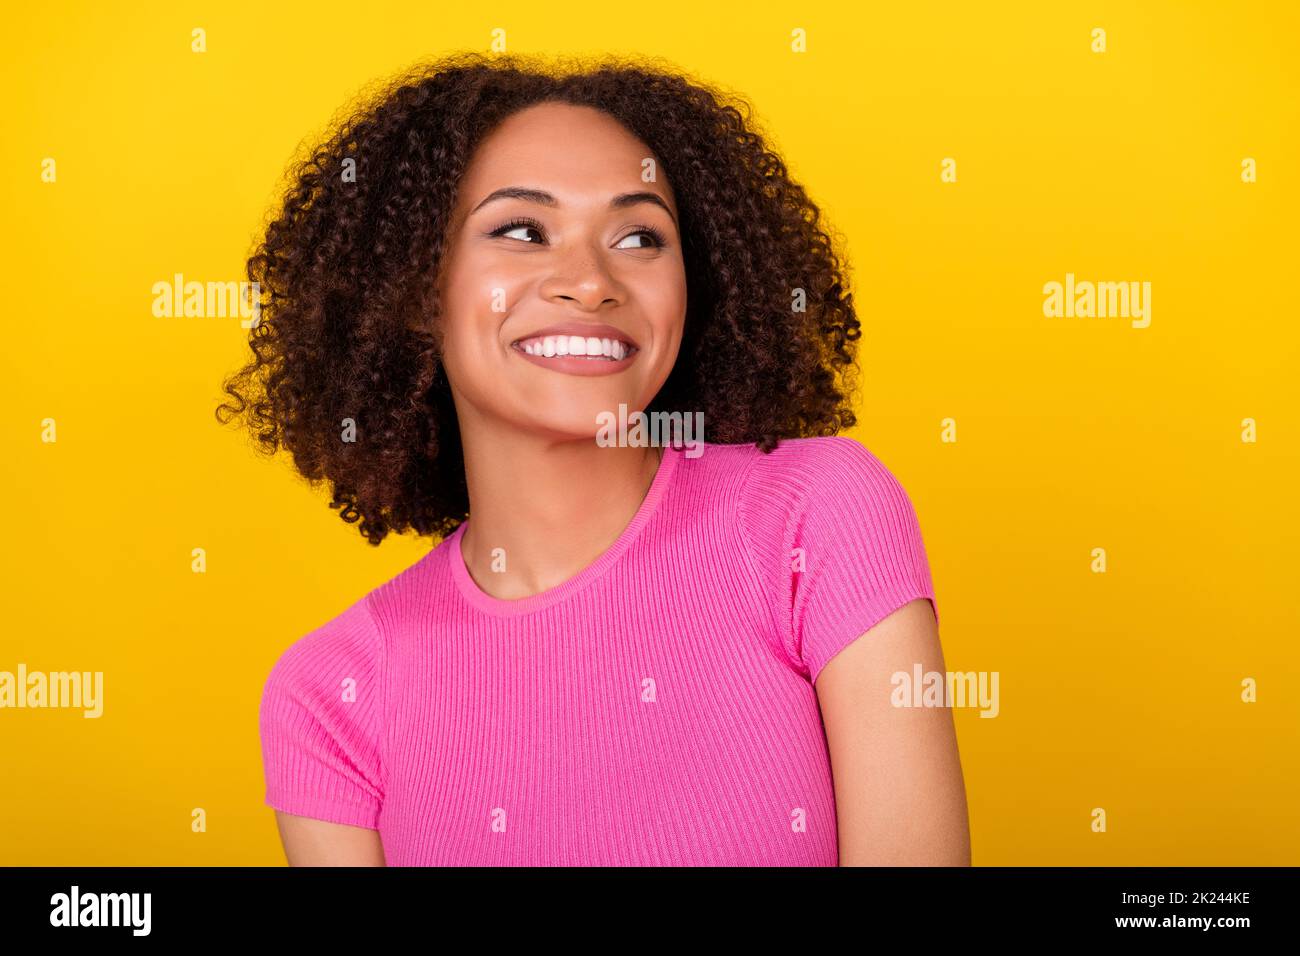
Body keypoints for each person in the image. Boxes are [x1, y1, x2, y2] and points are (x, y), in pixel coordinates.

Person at [217, 51, 970, 866]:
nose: (590, 281)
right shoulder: (332, 696)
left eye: (640, 236)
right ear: (414, 292)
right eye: (520, 230)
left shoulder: (817, 517)